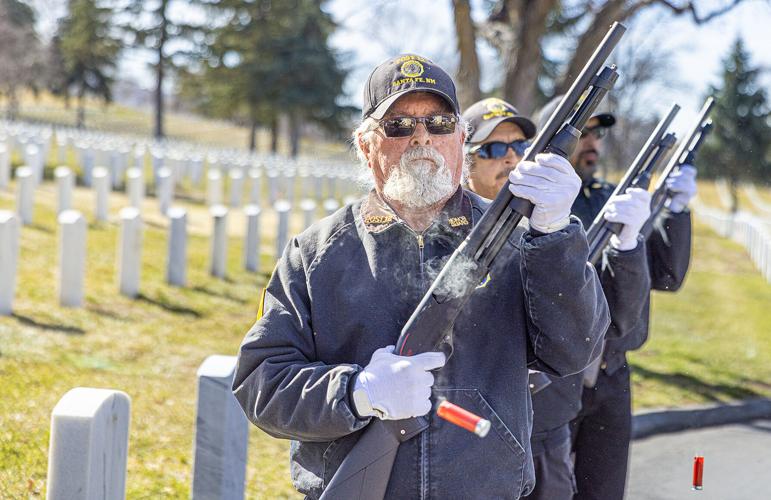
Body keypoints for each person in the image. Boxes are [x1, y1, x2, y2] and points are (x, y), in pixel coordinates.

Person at [231, 54, 611, 499]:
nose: (421, 138)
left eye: (439, 123)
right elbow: (261, 382)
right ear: (366, 144)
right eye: (398, 125)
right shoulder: (316, 253)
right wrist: (356, 393)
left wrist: (556, 233)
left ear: (460, 138)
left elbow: (575, 350)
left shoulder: (522, 240)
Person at [462, 97, 652, 500]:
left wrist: (628, 244)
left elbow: (613, 322)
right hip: (470, 430)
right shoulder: (451, 231)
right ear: (466, 162)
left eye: (518, 148)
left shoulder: (553, 227)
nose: (510, 159)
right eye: (494, 149)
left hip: (547, 427)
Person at [538, 97, 695, 500]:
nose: (592, 142)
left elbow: (667, 275)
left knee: (603, 490)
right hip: (553, 378)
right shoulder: (538, 205)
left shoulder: (613, 196)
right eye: (582, 133)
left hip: (610, 374)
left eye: (598, 133)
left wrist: (675, 210)